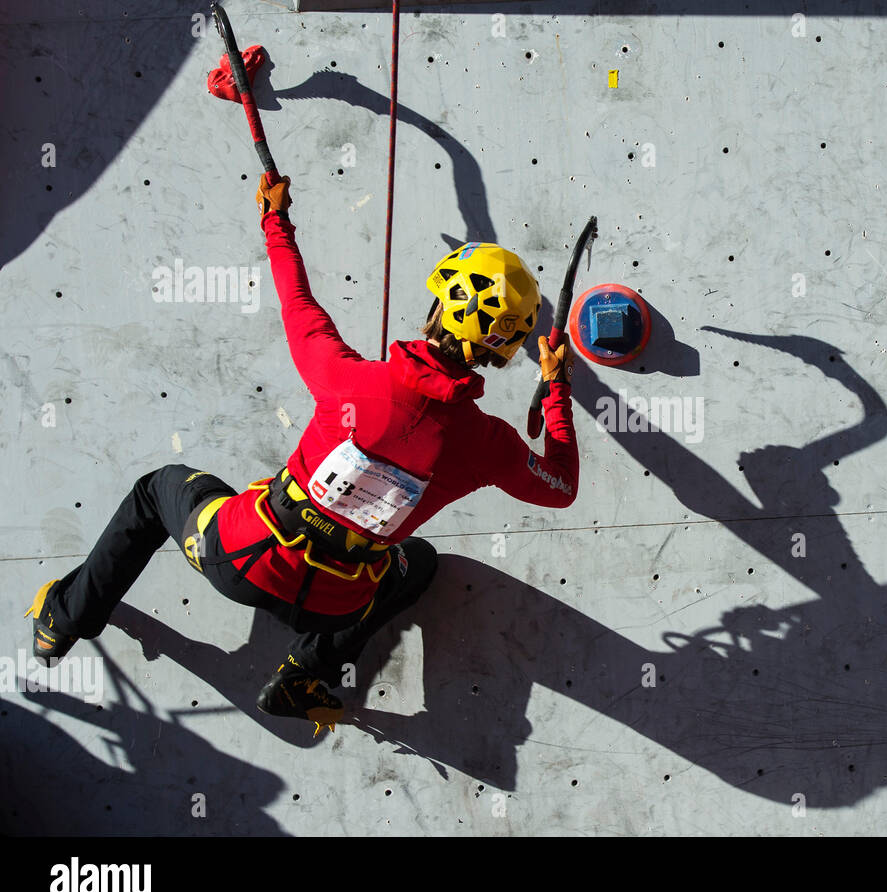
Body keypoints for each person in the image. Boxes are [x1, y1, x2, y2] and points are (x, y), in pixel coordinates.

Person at [25, 173, 579, 736]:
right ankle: (304, 673)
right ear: (501, 351)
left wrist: (276, 221)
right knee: (415, 564)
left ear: (441, 309)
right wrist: (557, 390)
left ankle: (64, 618)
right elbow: (560, 485)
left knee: (158, 489)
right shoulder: (488, 446)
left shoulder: (347, 380)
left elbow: (296, 299)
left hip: (241, 559)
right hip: (333, 608)